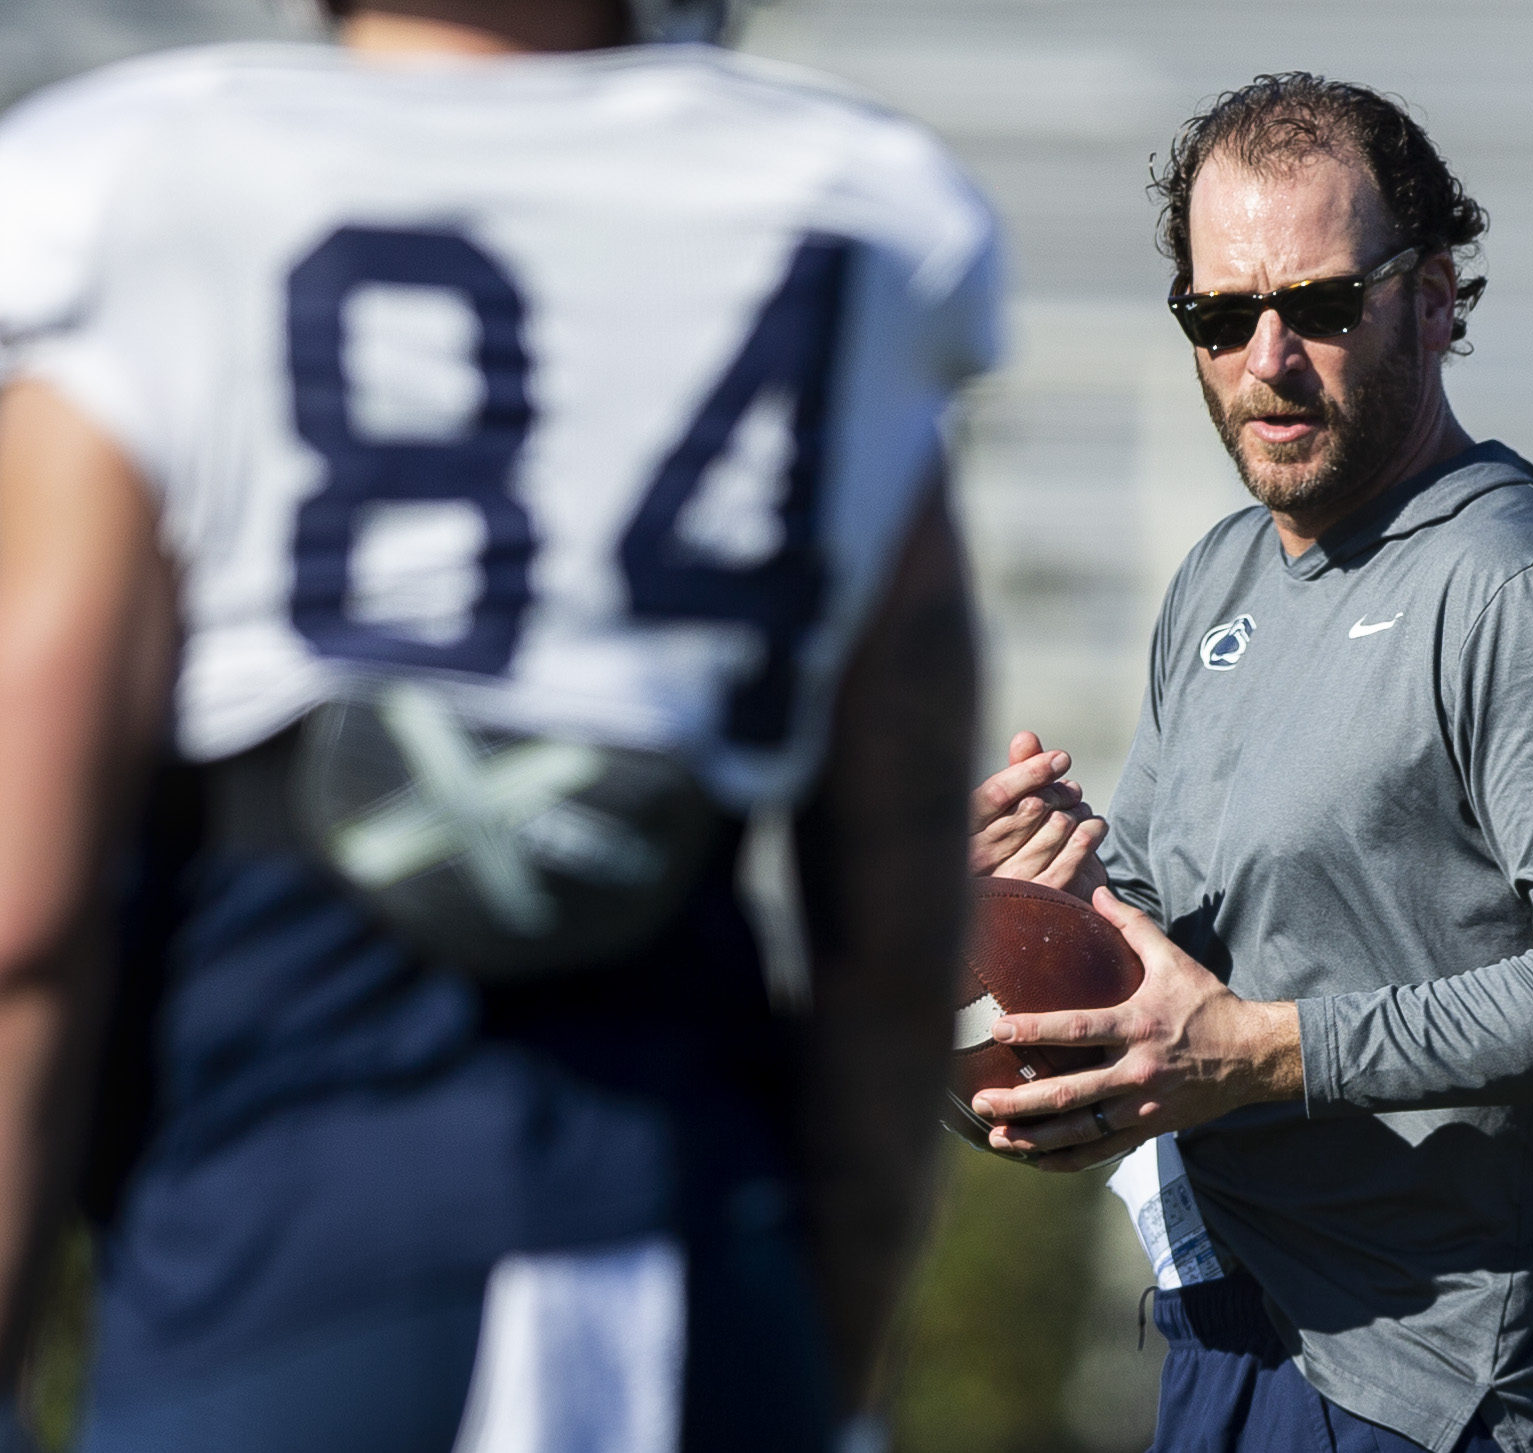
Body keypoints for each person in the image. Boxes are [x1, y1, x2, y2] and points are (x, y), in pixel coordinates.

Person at [0, 2, 993, 1449]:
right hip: (693, 1244)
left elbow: (26, 913)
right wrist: (824, 1380)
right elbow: (898, 946)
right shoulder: (851, 210)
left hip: (282, 1252)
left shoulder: (141, 183)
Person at [969, 74, 1533, 1453]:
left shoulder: (1525, 590)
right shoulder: (1221, 574)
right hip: (1225, 1330)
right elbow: (1165, 977)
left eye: (1319, 306)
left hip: (1411, 1387)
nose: (1269, 356)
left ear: (1436, 296)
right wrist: (1016, 926)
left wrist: (1272, 1051)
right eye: (1220, 315)